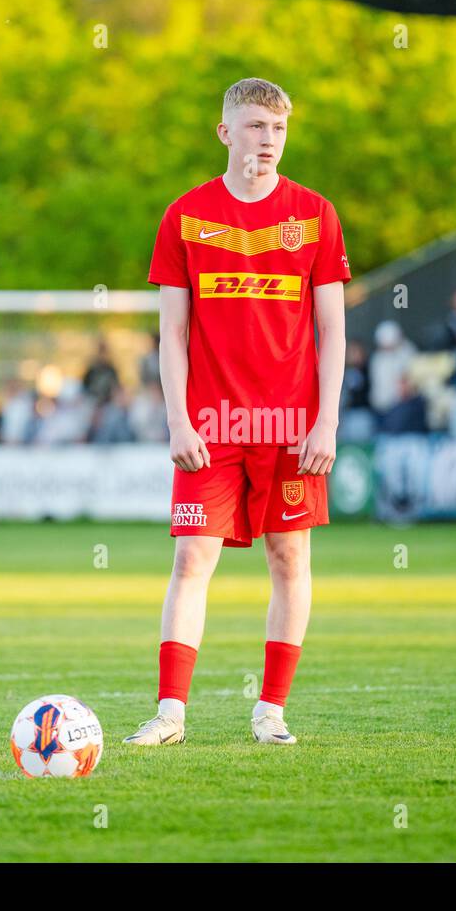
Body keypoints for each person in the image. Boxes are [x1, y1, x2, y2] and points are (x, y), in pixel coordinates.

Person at [125, 77, 349, 748]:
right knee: (193, 560)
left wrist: (328, 420)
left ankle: (271, 712)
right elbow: (172, 334)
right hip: (211, 426)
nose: (268, 140)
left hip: (291, 425)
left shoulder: (314, 214)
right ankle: (170, 713)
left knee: (289, 557)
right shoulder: (186, 216)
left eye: (277, 129)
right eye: (254, 127)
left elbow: (333, 329)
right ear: (226, 133)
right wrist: (179, 420)